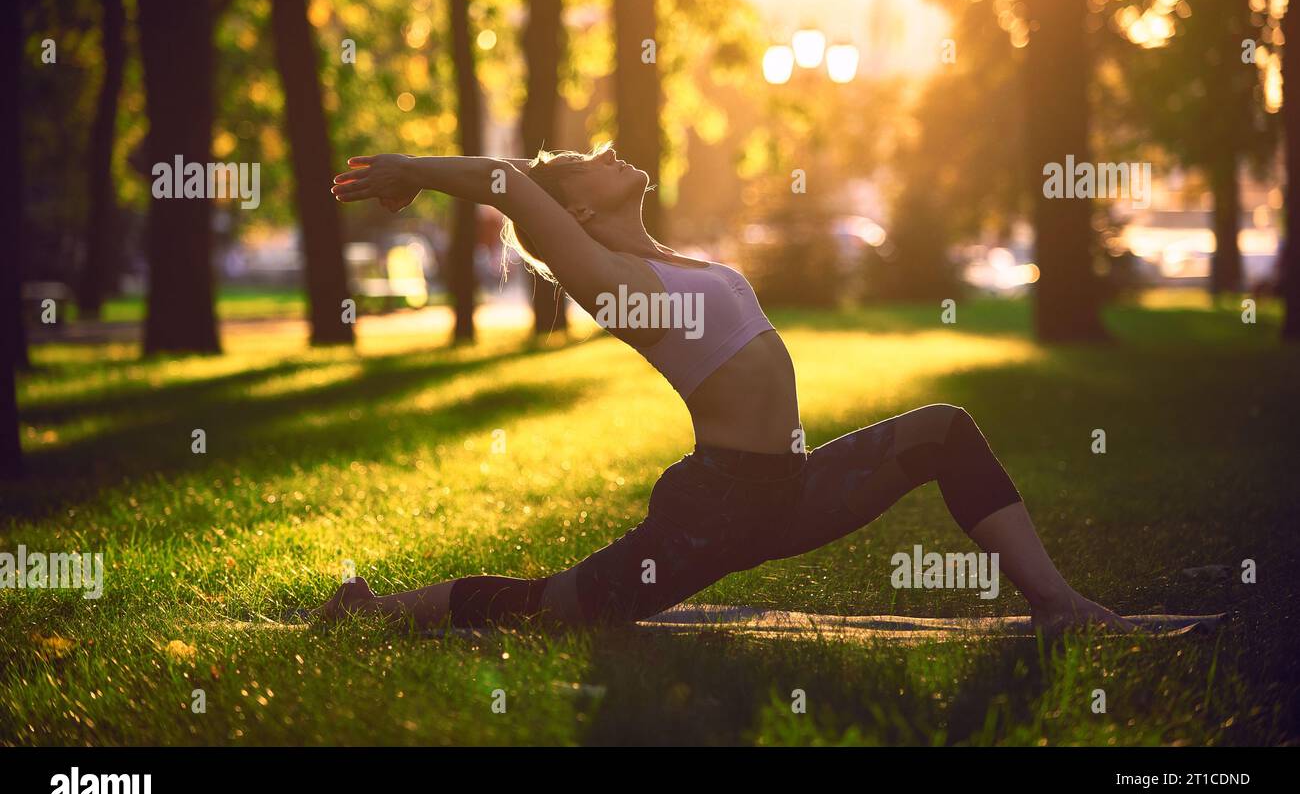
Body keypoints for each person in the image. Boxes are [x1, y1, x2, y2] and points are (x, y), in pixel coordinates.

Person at [320, 144, 1132, 634]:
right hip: (719, 505)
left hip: (790, 484)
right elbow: (505, 181)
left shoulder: (673, 259)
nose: (611, 153)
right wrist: (413, 171)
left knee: (944, 432)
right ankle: (378, 611)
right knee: (556, 610)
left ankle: (1056, 604)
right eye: (592, 164)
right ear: (572, 208)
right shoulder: (607, 277)